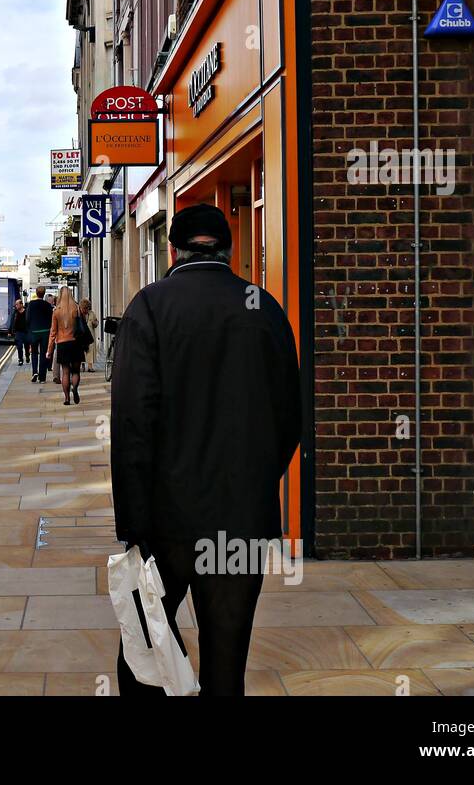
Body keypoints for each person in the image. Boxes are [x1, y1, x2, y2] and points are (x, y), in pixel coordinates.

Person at [111, 203, 301, 697]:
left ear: (173, 249)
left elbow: (133, 422)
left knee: (145, 651)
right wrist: (256, 482)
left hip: (166, 521)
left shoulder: (149, 306)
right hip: (240, 520)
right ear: (230, 249)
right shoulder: (264, 308)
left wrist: (133, 524)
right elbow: (290, 418)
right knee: (227, 663)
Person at [47, 286, 88, 406]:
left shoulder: (56, 311)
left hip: (62, 344)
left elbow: (53, 332)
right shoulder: (77, 309)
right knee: (75, 371)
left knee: (65, 372)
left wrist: (49, 349)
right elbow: (83, 325)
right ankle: (75, 388)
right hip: (76, 343)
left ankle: (66, 398)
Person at [24, 286, 53, 383]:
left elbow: (27, 319)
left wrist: (30, 329)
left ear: (36, 293)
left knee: (34, 353)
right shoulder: (47, 305)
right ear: (44, 293)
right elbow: (51, 319)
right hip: (45, 332)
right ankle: (42, 378)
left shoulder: (31, 304)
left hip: (34, 332)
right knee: (44, 354)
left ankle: (34, 372)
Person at [79, 298, 99, 372]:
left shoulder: (91, 314)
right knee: (82, 351)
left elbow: (96, 322)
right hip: (81, 336)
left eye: (87, 308)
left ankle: (90, 366)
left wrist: (95, 323)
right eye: (84, 308)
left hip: (89, 336)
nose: (86, 310)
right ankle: (82, 365)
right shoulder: (78, 314)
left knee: (90, 350)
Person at [11, 298, 29, 366]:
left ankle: (27, 355)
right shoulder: (15, 313)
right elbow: (12, 321)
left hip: (26, 332)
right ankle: (20, 359)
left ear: (21, 304)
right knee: (19, 346)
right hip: (18, 332)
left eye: (17, 304)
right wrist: (10, 331)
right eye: (15, 304)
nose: (16, 306)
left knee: (26, 346)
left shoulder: (26, 312)